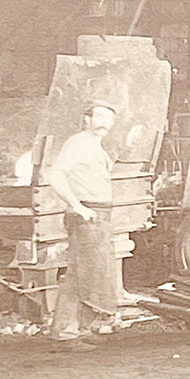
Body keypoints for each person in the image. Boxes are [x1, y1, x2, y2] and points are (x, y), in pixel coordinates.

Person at [47, 102, 119, 350]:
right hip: (87, 215)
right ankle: (65, 334)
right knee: (79, 275)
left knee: (91, 273)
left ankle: (80, 327)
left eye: (109, 118)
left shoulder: (94, 146)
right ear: (86, 118)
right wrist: (77, 206)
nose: (104, 123)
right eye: (99, 116)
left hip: (99, 214)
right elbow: (55, 174)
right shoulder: (77, 144)